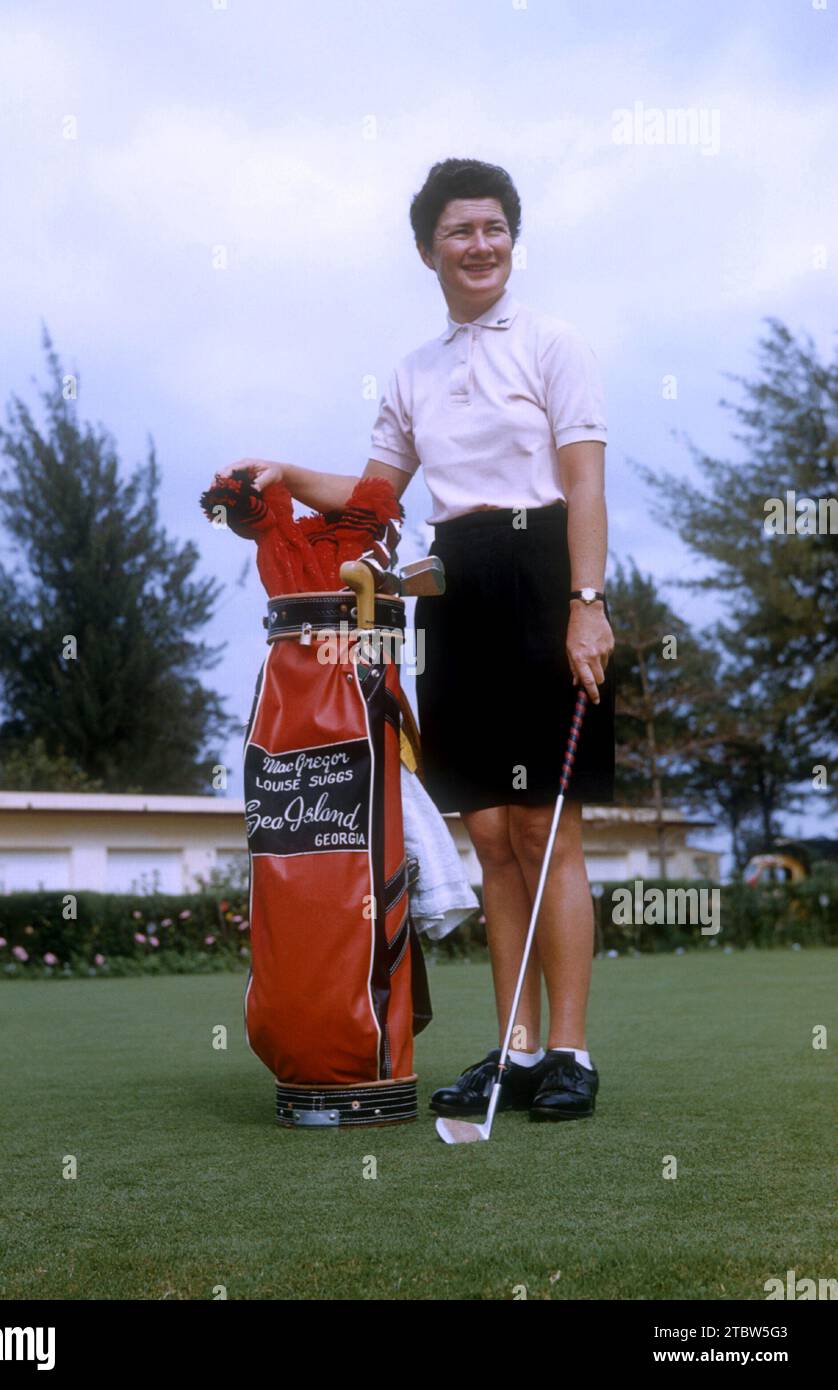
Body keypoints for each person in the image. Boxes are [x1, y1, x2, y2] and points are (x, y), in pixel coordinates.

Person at [224, 157, 615, 1122]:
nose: (480, 245)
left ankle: (569, 1052)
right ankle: (514, 1051)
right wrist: (276, 478)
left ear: (512, 241)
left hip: (544, 577)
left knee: (545, 829)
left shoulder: (556, 343)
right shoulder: (414, 371)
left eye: (494, 228)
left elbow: (587, 484)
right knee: (489, 836)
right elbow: (374, 503)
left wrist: (587, 600)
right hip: (452, 588)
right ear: (428, 250)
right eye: (459, 231)